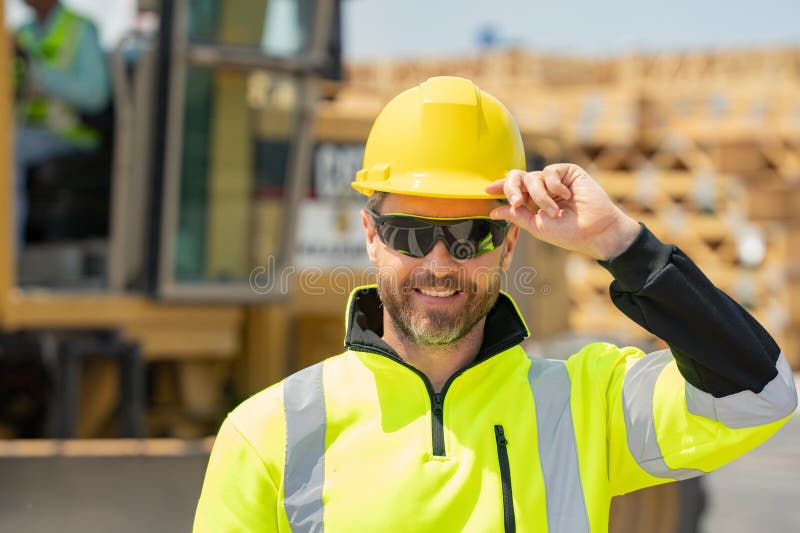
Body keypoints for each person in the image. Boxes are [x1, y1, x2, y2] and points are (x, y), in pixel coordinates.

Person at [193, 77, 796, 532]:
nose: (437, 262)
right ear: (371, 236)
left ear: (509, 242)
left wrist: (620, 244)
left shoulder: (586, 408)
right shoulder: (269, 433)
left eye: (467, 237)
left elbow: (760, 393)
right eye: (407, 232)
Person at [13, 0, 110, 249]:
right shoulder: (21, 33)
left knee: (8, 151)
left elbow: (95, 95)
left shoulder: (81, 29)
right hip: (27, 130)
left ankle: (9, 256)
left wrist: (42, 77)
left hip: (72, 133)